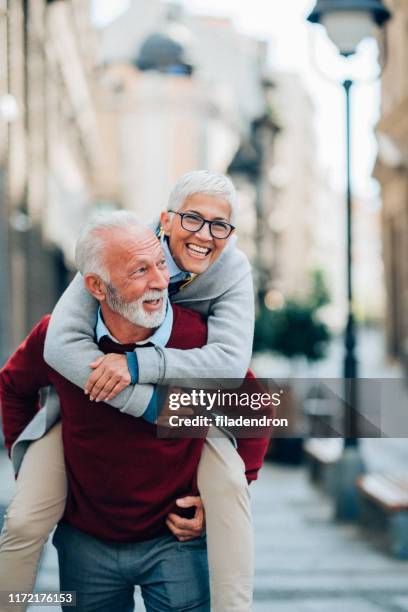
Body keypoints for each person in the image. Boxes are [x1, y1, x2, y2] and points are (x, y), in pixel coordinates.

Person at [0, 171, 265, 611]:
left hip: (172, 535)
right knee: (24, 521)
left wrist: (145, 376)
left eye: (158, 268)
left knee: (231, 488)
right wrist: (20, 458)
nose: (159, 280)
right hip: (88, 537)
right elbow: (16, 379)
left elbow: (247, 397)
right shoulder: (68, 330)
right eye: (141, 269)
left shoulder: (209, 313)